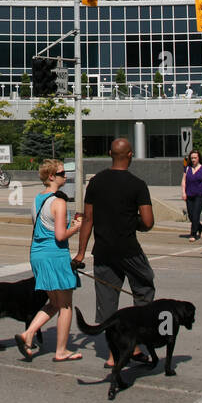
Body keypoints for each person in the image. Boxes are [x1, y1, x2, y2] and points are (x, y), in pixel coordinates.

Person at [75, 139, 155, 366]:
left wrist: (81, 254)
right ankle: (136, 343)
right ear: (130, 154)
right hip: (129, 251)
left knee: (107, 304)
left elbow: (87, 219)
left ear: (110, 153)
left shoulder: (96, 182)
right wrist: (134, 223)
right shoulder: (137, 184)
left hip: (102, 251)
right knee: (144, 291)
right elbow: (148, 222)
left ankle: (112, 356)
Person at [17, 160, 84, 361]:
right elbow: (60, 236)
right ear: (52, 177)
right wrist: (76, 227)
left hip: (38, 254)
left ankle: (28, 334)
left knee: (53, 302)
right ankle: (61, 351)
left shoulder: (37, 199)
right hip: (56, 256)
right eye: (63, 173)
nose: (66, 176)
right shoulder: (59, 202)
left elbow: (40, 228)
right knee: (65, 305)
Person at [181, 149, 202, 242]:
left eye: (195, 158)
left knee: (196, 213)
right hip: (189, 194)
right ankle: (199, 227)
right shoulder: (187, 168)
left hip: (200, 194)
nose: (193, 160)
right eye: (192, 158)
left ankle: (193, 234)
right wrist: (183, 193)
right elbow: (184, 181)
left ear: (199, 158)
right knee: (191, 215)